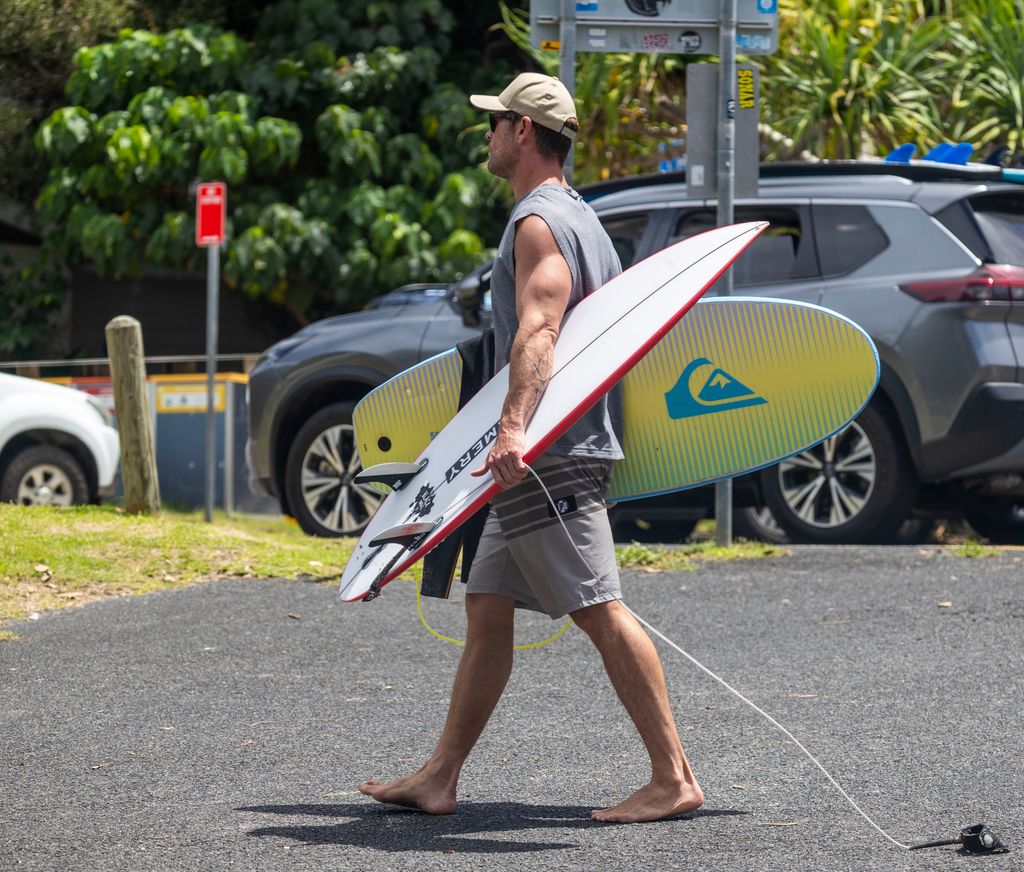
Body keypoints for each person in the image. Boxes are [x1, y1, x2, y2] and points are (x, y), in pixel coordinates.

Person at [358, 72, 703, 824]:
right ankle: (440, 775)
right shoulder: (584, 219)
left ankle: (673, 777)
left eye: (497, 123)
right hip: (543, 453)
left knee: (600, 608)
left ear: (522, 132)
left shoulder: (539, 224)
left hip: (543, 454)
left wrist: (513, 428)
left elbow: (539, 330)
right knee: (487, 607)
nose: (488, 135)